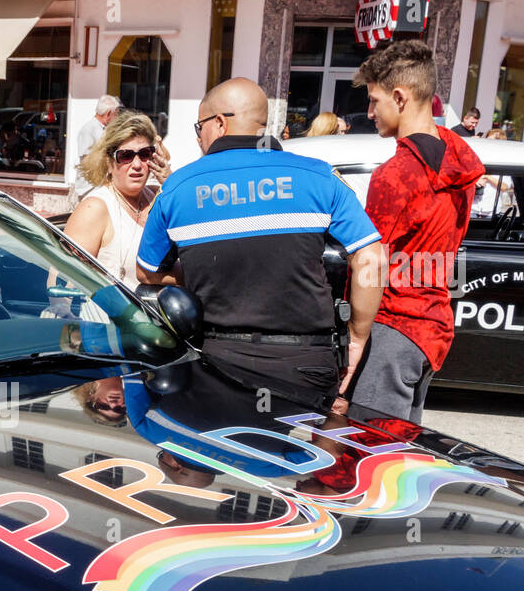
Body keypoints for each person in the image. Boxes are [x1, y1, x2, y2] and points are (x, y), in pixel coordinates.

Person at [134, 77, 385, 407]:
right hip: (307, 363)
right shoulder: (319, 176)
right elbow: (372, 258)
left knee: (226, 455)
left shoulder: (178, 188)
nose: (198, 138)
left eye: (200, 127)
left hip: (221, 362)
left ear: (219, 123)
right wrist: (357, 337)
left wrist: (196, 273)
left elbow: (146, 271)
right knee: (302, 457)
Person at [344, 40, 484, 424]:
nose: (369, 112)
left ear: (400, 97)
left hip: (392, 326)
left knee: (368, 457)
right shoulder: (460, 157)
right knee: (399, 458)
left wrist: (356, 339)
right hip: (432, 325)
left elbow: (371, 262)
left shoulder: (396, 173)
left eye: (374, 100)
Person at [65, 111, 171, 290]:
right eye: (126, 156)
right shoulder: (95, 208)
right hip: (109, 317)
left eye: (145, 154)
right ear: (108, 161)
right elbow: (64, 285)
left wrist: (172, 183)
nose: (137, 165)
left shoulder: (158, 196)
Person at [74, 95, 120, 199]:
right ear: (108, 113)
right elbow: (86, 160)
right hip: (90, 187)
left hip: (100, 184)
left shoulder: (104, 129)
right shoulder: (89, 129)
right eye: (115, 114)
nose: (116, 118)